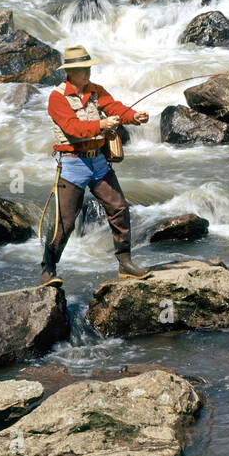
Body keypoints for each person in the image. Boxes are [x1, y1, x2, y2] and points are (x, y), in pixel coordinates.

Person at [40, 44, 151, 286]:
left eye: (88, 68)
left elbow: (115, 107)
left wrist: (133, 117)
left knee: (119, 207)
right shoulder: (57, 98)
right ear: (70, 72)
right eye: (82, 69)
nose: (88, 73)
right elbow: (73, 129)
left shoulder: (96, 91)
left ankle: (125, 263)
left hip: (98, 161)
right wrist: (102, 125)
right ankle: (48, 270)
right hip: (72, 165)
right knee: (65, 222)